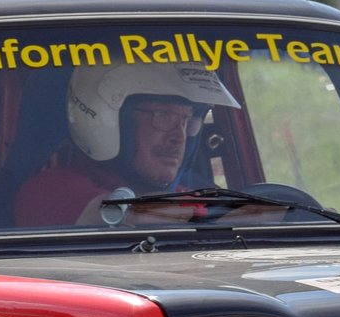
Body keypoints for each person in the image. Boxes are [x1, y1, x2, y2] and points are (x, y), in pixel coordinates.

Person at [14, 63, 242, 227]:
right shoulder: (50, 189)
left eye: (185, 120)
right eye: (164, 116)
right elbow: (133, 216)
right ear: (109, 119)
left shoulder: (182, 193)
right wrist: (256, 210)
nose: (179, 136)